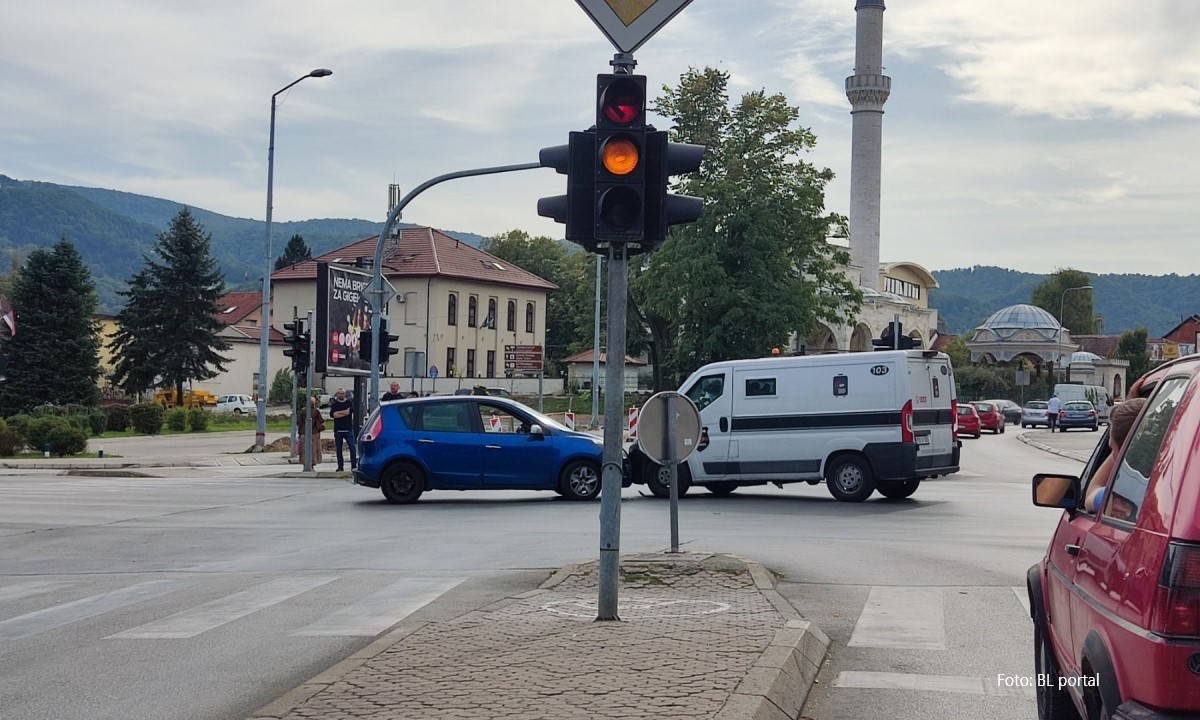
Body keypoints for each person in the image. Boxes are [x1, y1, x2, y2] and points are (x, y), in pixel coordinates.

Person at [1084, 397, 1148, 512]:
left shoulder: (1122, 496)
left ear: (1123, 451)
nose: (1112, 454)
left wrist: (1121, 453)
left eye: (1112, 448)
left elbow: (1090, 495)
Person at [329, 387, 357, 472]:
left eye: (342, 393)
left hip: (348, 429)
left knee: (352, 448)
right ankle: (340, 467)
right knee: (339, 449)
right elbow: (333, 415)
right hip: (338, 430)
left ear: (345, 394)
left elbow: (350, 411)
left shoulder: (349, 402)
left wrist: (339, 413)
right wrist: (345, 412)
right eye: (339, 393)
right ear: (337, 394)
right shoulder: (334, 404)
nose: (341, 395)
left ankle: (354, 466)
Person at [296, 395, 325, 466]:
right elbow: (321, 421)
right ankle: (313, 462)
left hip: (303, 432)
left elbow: (299, 422)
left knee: (304, 449)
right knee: (314, 449)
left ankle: (304, 462)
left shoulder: (303, 411)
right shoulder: (316, 411)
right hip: (314, 432)